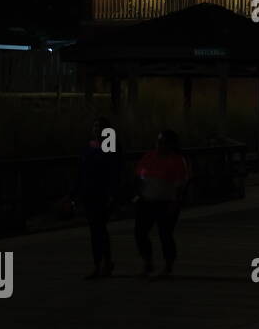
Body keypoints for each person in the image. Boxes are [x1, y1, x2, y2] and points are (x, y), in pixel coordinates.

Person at [133, 129, 189, 278]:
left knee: (165, 234)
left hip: (166, 202)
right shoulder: (149, 157)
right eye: (158, 142)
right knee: (140, 232)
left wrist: (175, 204)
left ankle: (168, 265)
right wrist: (139, 193)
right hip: (147, 200)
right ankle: (147, 261)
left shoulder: (177, 160)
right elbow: (140, 176)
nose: (160, 145)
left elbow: (180, 186)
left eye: (164, 143)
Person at [71, 116, 121, 279]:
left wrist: (113, 194)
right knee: (96, 229)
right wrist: (74, 193)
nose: (96, 130)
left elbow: (115, 173)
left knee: (98, 228)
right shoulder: (88, 148)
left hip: (102, 194)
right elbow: (80, 171)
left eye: (100, 127)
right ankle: (102, 262)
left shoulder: (111, 148)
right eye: (95, 127)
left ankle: (102, 263)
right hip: (88, 193)